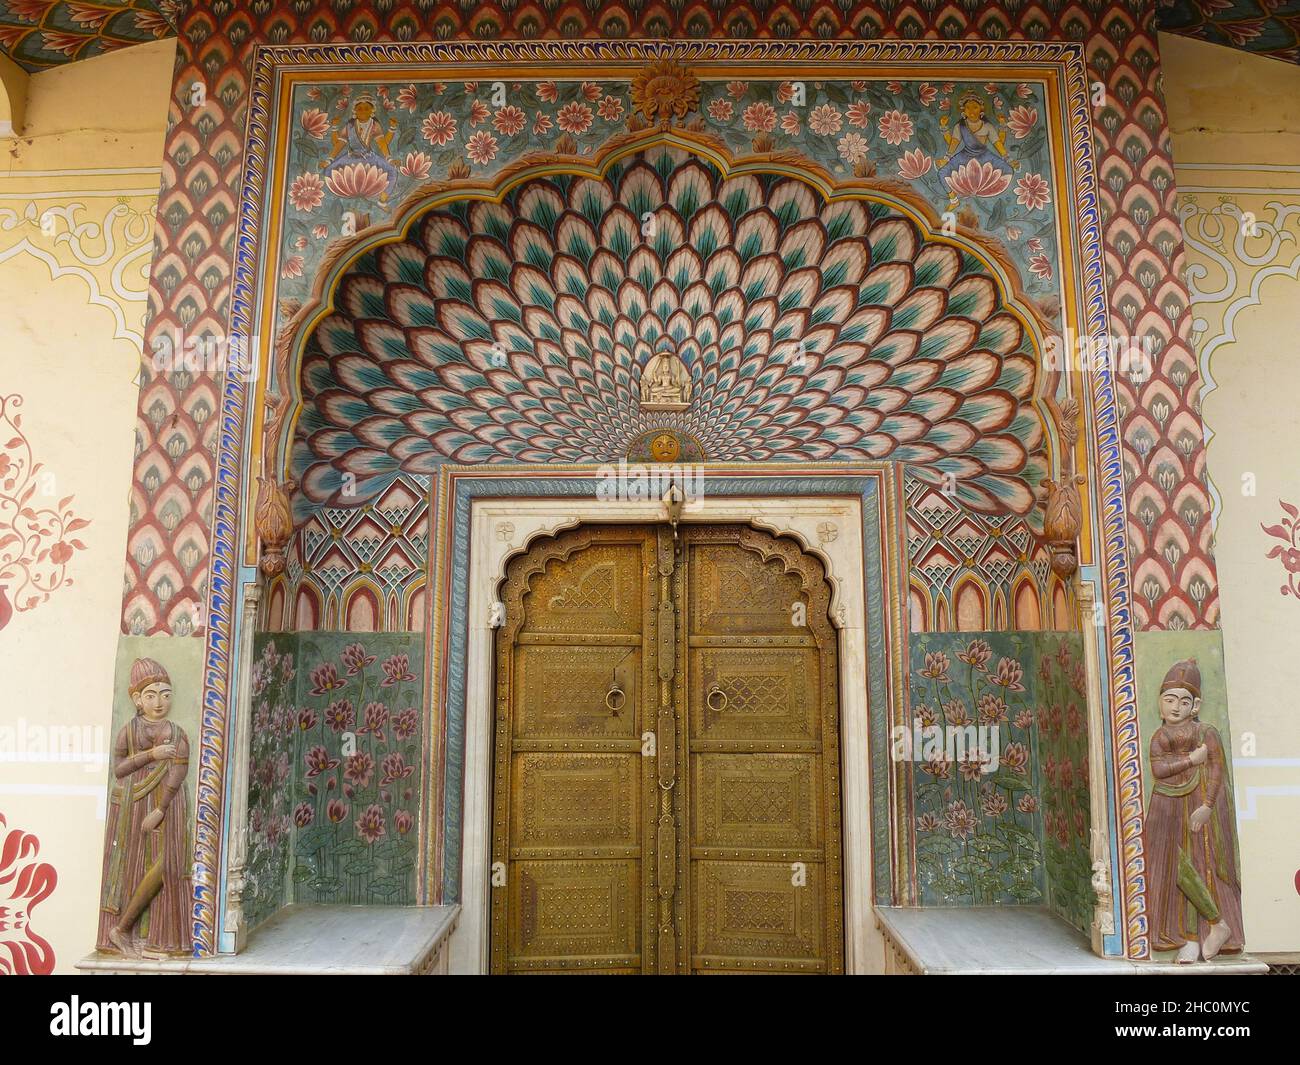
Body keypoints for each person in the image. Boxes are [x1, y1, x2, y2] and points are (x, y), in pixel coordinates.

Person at [1142, 658, 1243, 962]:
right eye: (1169, 700)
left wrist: (1207, 807)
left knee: (1201, 865)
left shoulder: (1205, 733)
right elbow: (1159, 770)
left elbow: (1216, 771)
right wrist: (1191, 761)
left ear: (1195, 706)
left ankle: (1207, 932)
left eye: (1183, 701)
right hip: (1165, 805)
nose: (1175, 707)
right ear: (1160, 703)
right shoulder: (1159, 737)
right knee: (1171, 868)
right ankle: (1196, 932)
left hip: (1196, 805)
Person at [97, 658, 192, 957]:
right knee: (131, 867)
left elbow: (178, 770)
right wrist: (151, 754)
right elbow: (119, 769)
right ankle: (125, 932)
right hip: (131, 804)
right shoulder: (129, 730)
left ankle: (146, 934)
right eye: (151, 694)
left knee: (169, 864)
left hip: (167, 804)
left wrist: (161, 809)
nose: (159, 701)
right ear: (136, 698)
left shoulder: (176, 733)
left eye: (165, 693)